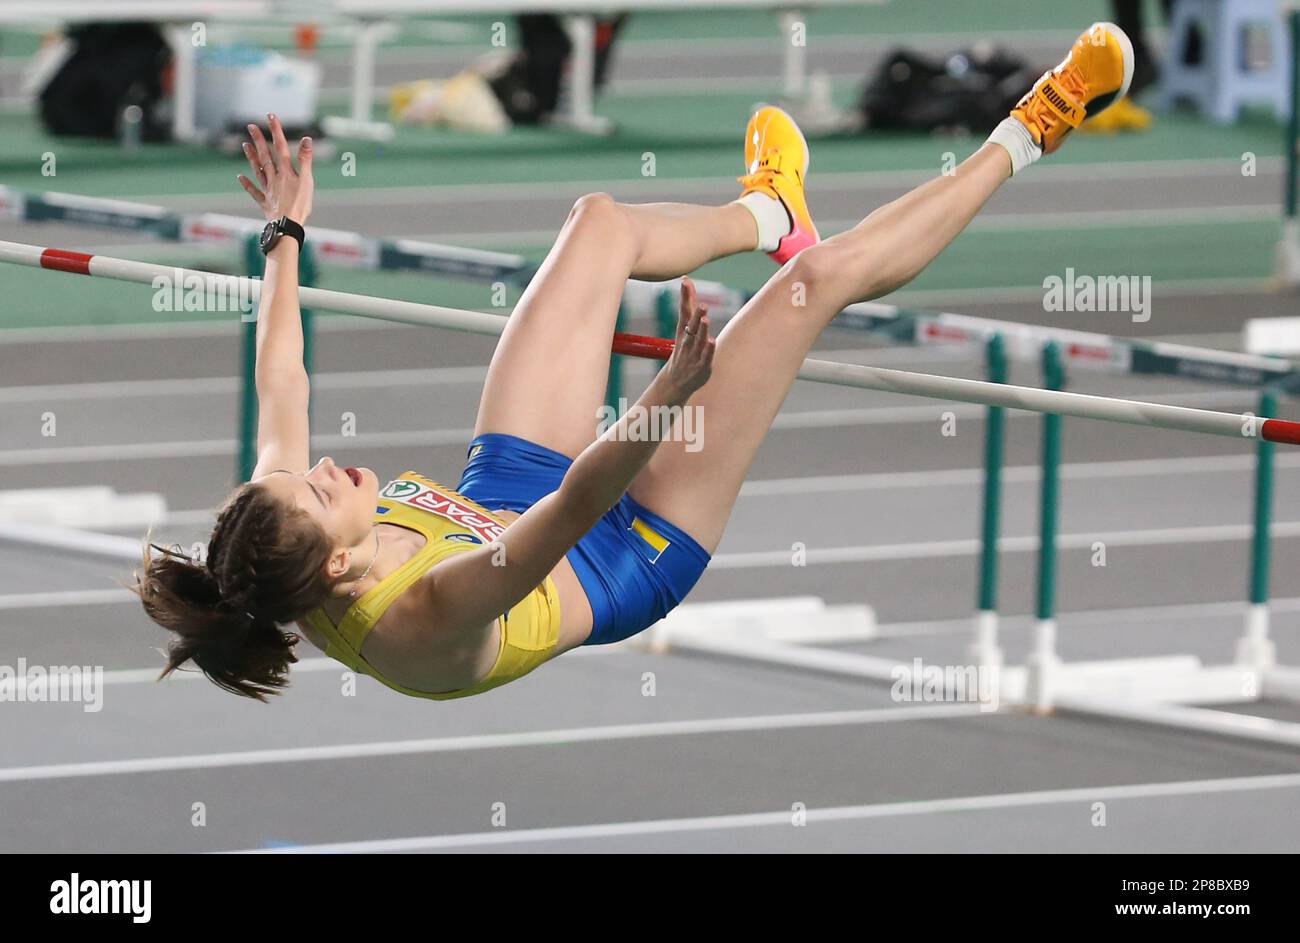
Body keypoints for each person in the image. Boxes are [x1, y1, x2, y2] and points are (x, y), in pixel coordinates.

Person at [134, 23, 1135, 702]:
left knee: (599, 225)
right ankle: (1037, 121)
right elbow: (572, 513)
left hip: (509, 487)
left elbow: (282, 383)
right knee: (812, 286)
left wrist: (283, 233)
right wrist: (661, 401)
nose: (325, 467)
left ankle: (767, 211)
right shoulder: (422, 621)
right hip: (625, 550)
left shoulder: (273, 537)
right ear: (338, 564)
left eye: (301, 474)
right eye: (321, 492)